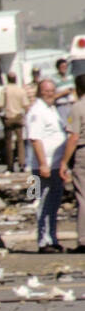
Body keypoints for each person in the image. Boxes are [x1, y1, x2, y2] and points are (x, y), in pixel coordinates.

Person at [25, 78, 67, 253]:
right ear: (39, 92)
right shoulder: (36, 111)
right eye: (46, 91)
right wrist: (43, 164)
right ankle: (44, 242)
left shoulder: (51, 109)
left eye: (52, 90)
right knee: (43, 204)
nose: (49, 94)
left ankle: (52, 238)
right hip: (42, 167)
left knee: (53, 205)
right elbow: (35, 139)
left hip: (56, 165)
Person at [58, 73, 85, 252]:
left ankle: (83, 240)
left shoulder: (77, 107)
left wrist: (64, 162)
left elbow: (73, 137)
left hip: (82, 151)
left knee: (83, 197)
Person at [0, 70, 28, 172]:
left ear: (7, 79)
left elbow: (0, 106)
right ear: (16, 79)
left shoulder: (5, 90)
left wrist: (1, 116)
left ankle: (10, 165)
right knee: (20, 141)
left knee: (9, 142)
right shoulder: (21, 90)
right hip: (18, 117)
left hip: (8, 117)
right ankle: (22, 163)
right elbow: (26, 105)